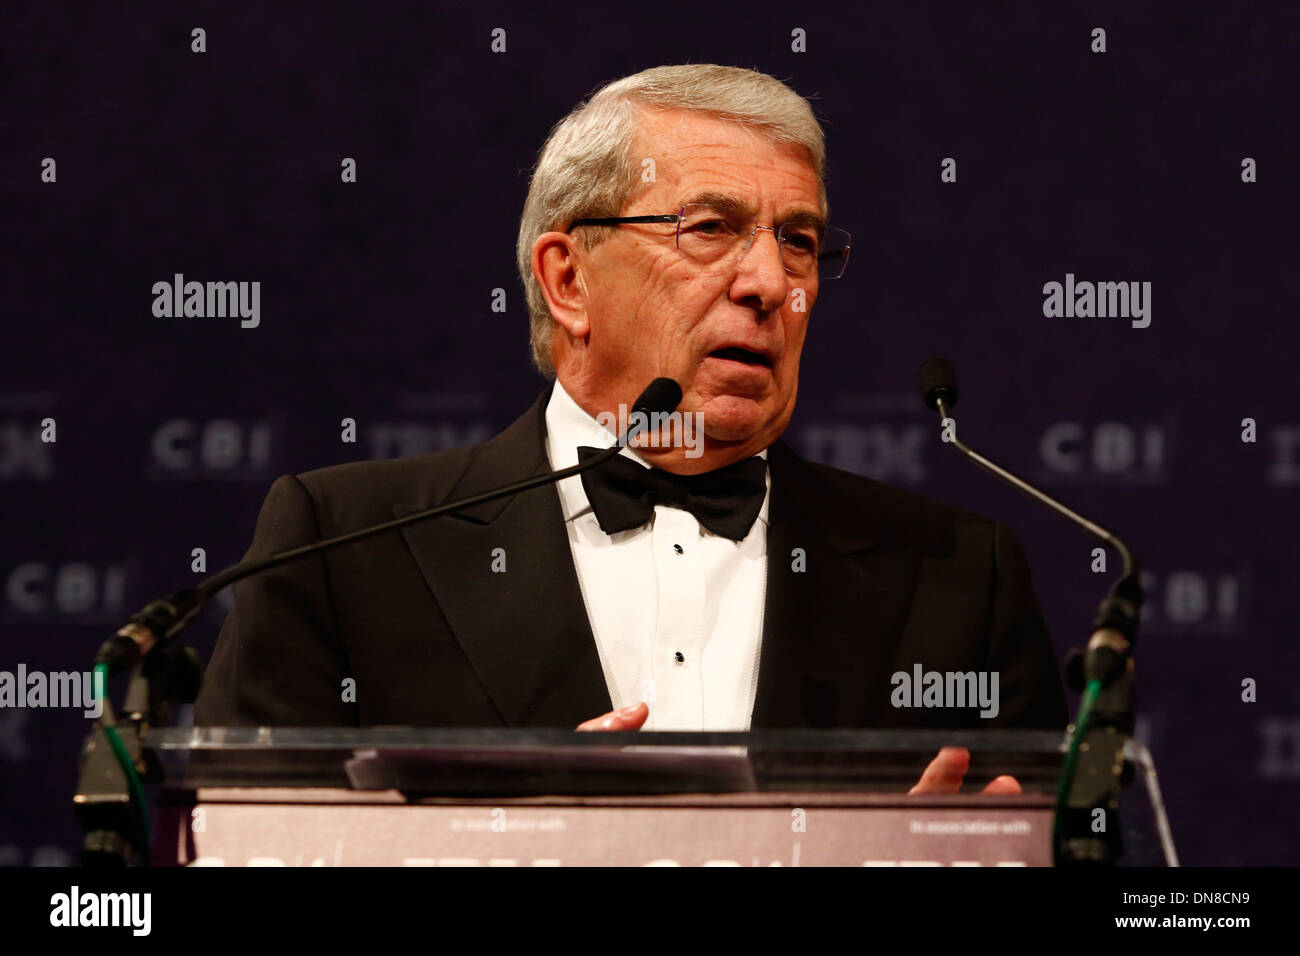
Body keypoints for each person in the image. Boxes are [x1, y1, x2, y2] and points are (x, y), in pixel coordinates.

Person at [194, 64, 1065, 794]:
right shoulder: (345, 549)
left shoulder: (959, 579)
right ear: (568, 280)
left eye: (798, 241)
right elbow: (246, 845)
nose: (769, 281)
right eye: (711, 228)